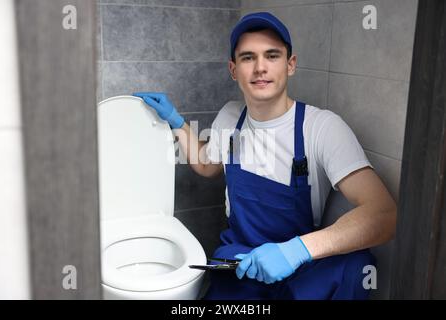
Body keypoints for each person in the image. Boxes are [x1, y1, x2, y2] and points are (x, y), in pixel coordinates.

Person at [133, 12, 397, 300]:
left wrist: (295, 251)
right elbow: (207, 165)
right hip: (241, 261)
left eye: (272, 56)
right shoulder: (231, 117)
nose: (260, 67)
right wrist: (178, 123)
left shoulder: (321, 127)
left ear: (290, 64)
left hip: (303, 263)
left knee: (356, 266)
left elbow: (384, 214)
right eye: (248, 57)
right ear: (233, 70)